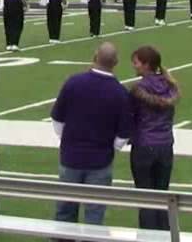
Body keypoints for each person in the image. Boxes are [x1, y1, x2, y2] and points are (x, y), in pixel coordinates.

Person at [50, 42, 133, 227]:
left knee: (65, 210)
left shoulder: (73, 82)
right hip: (100, 160)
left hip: (71, 157)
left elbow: (57, 118)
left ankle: (62, 238)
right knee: (94, 214)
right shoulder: (120, 92)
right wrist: (108, 148)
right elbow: (123, 135)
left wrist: (68, 140)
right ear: (115, 63)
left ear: (95, 57)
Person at [128, 45, 179, 230]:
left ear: (146, 64)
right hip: (165, 145)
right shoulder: (169, 85)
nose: (134, 66)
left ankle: (148, 236)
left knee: (146, 198)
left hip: (144, 145)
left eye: (136, 63)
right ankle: (164, 235)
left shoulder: (139, 88)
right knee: (162, 196)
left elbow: (130, 116)